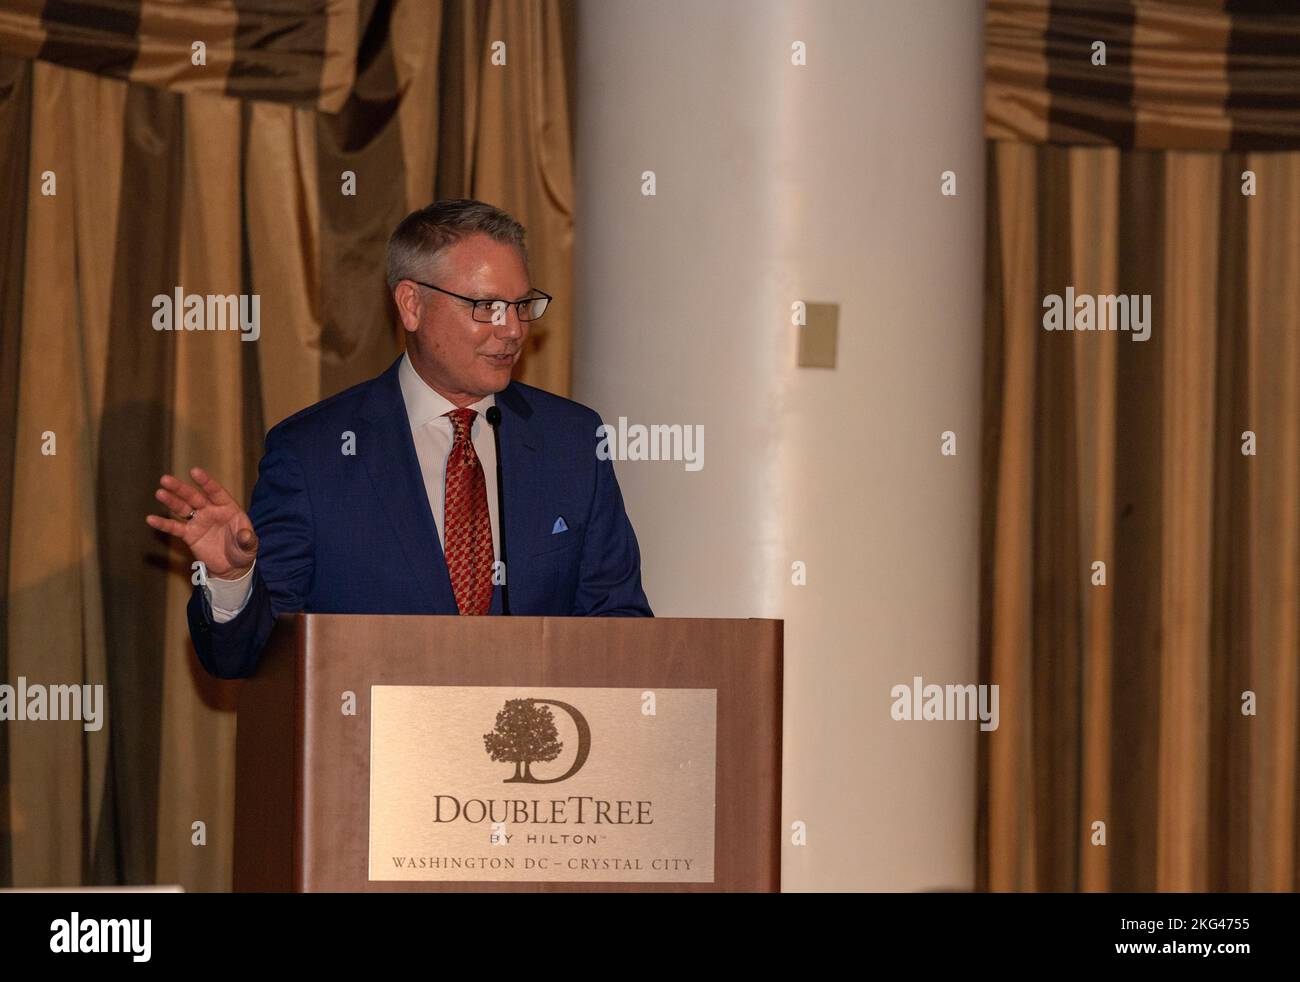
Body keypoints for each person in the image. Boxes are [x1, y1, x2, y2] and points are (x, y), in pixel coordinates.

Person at [146, 199, 652, 679]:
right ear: (412, 304)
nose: (513, 329)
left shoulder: (571, 442)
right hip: (369, 738)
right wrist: (233, 581)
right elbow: (246, 658)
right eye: (487, 306)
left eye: (521, 305)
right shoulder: (312, 455)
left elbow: (620, 629)